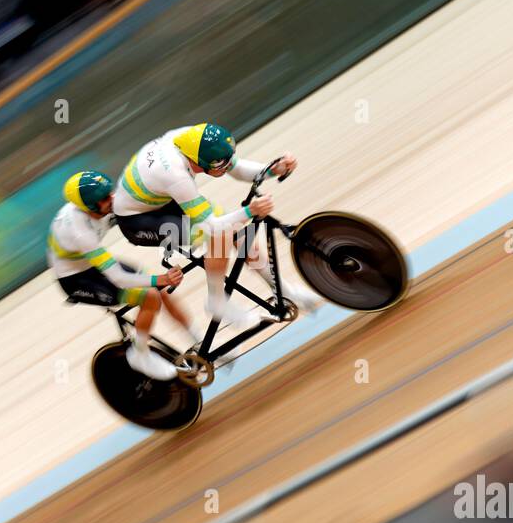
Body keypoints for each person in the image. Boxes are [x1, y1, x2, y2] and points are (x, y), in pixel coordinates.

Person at [111, 122, 322, 324]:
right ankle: (216, 301)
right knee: (219, 233)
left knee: (237, 231)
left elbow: (236, 168)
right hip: (137, 221)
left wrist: (272, 170)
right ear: (198, 160)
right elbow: (213, 227)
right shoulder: (175, 174)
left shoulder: (193, 140)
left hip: (160, 200)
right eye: (219, 164)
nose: (224, 167)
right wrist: (250, 210)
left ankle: (283, 291)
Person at [49, 170, 194, 380]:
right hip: (76, 280)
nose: (112, 199)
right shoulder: (79, 233)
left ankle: (197, 340)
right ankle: (140, 354)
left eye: (110, 193)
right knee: (151, 296)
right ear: (90, 207)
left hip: (93, 265)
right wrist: (161, 279)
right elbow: (119, 278)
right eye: (105, 198)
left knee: (161, 291)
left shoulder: (100, 207)